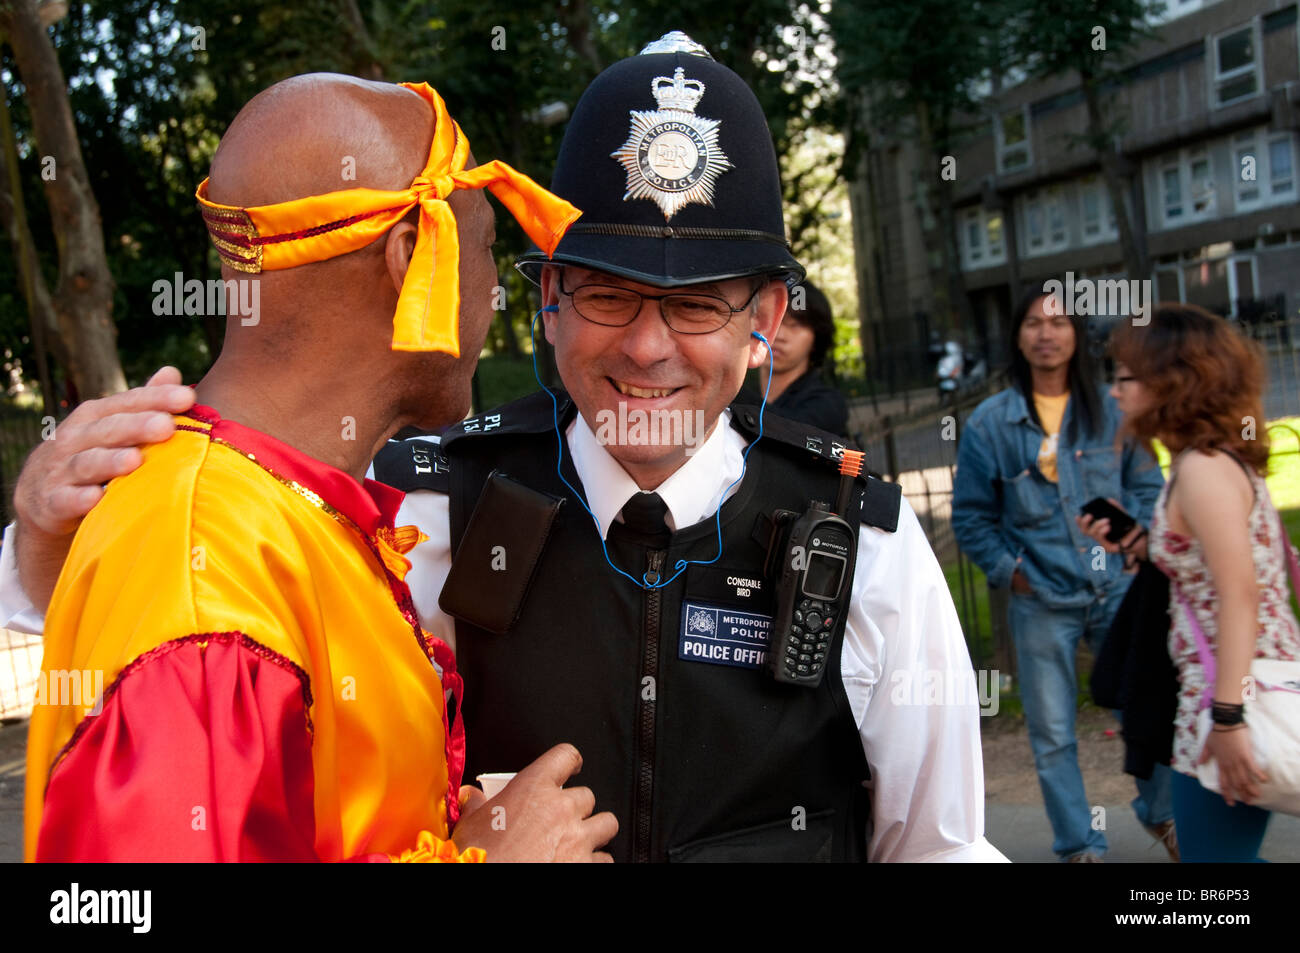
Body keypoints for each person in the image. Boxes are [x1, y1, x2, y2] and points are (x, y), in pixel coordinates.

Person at [4, 35, 1003, 862]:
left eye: (698, 303)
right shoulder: (421, 501)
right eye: (608, 294)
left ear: (767, 315)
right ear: (548, 300)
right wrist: (39, 552)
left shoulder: (859, 534)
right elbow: (204, 608)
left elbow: (938, 847)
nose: (649, 348)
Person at [9, 73, 617, 862]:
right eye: (487, 248)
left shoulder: (281, 512)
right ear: (409, 260)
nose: (496, 289)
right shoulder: (210, 581)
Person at [952, 285, 1174, 863]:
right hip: (1041, 597)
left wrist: (1136, 543)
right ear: (1018, 337)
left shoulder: (1112, 407)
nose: (1045, 334)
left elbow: (1148, 487)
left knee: (1142, 711)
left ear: (1077, 335)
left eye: (1057, 322)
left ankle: (1164, 816)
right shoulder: (990, 422)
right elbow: (972, 518)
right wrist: (1012, 573)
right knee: (1051, 734)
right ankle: (1081, 847)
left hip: (1119, 591)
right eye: (1032, 323)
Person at [1078, 302, 1300, 863]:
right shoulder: (1211, 462)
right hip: (1224, 689)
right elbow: (1208, 567)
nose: (1114, 392)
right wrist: (1138, 545)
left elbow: (1239, 592)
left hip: (1228, 693)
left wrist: (1228, 719)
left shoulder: (1202, 469)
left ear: (1172, 383)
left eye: (1126, 378)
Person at [739, 280, 849, 436]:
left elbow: (788, 433)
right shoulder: (748, 387)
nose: (778, 335)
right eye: (771, 321)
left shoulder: (827, 404)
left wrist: (727, 388)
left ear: (817, 339)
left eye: (795, 325)